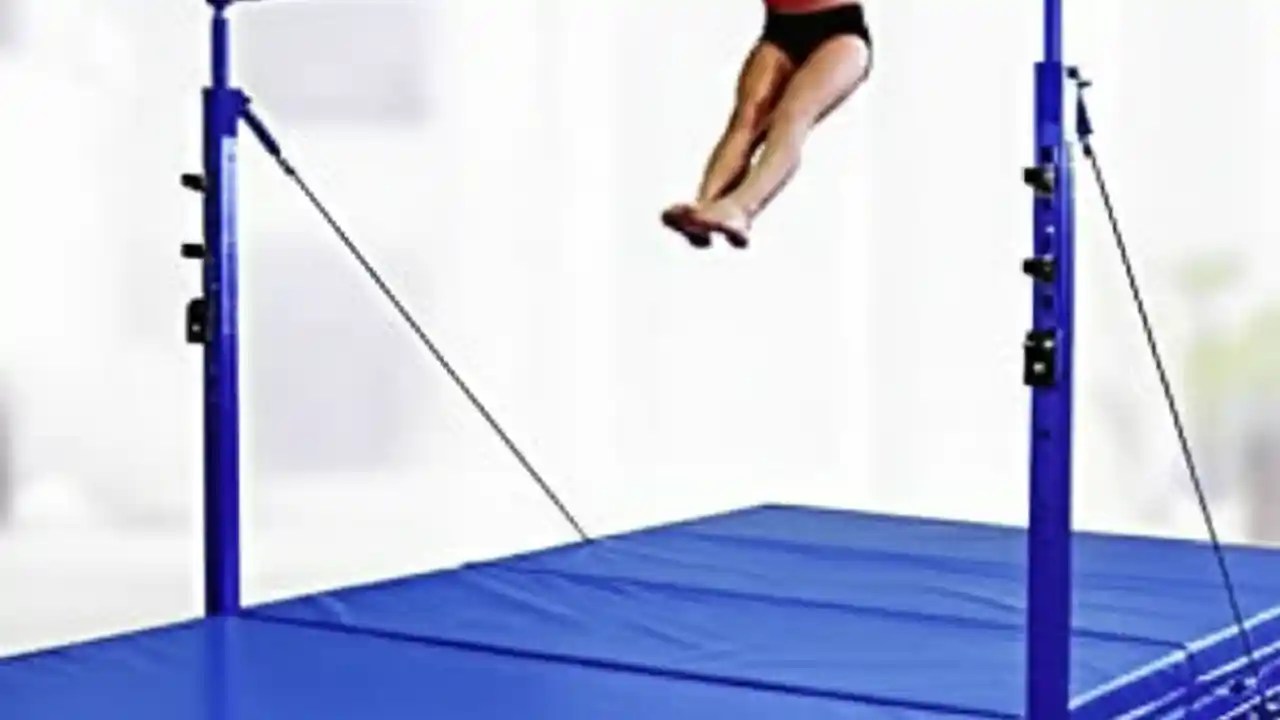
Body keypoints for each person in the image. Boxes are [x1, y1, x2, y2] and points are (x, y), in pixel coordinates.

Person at [662, 0, 873, 249]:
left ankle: (741, 208)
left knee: (793, 113)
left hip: (840, 32)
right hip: (780, 30)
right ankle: (704, 206)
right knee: (746, 119)